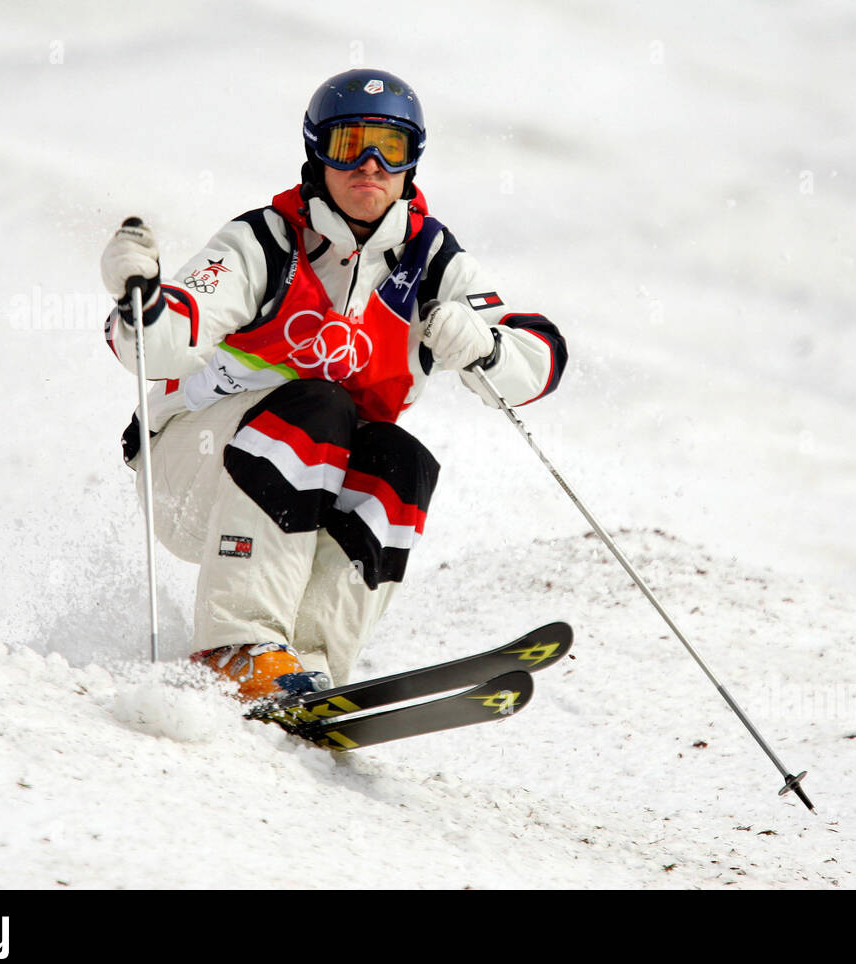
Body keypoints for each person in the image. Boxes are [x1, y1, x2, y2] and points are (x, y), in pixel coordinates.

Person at [99, 68, 567, 702]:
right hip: (189, 471)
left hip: (301, 486)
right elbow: (162, 339)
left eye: (390, 148)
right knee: (319, 403)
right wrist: (141, 302)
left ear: (412, 163)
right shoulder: (264, 241)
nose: (370, 166)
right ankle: (236, 646)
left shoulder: (432, 262)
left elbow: (538, 355)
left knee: (399, 459)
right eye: (350, 146)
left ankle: (306, 667)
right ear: (317, 153)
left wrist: (485, 346)